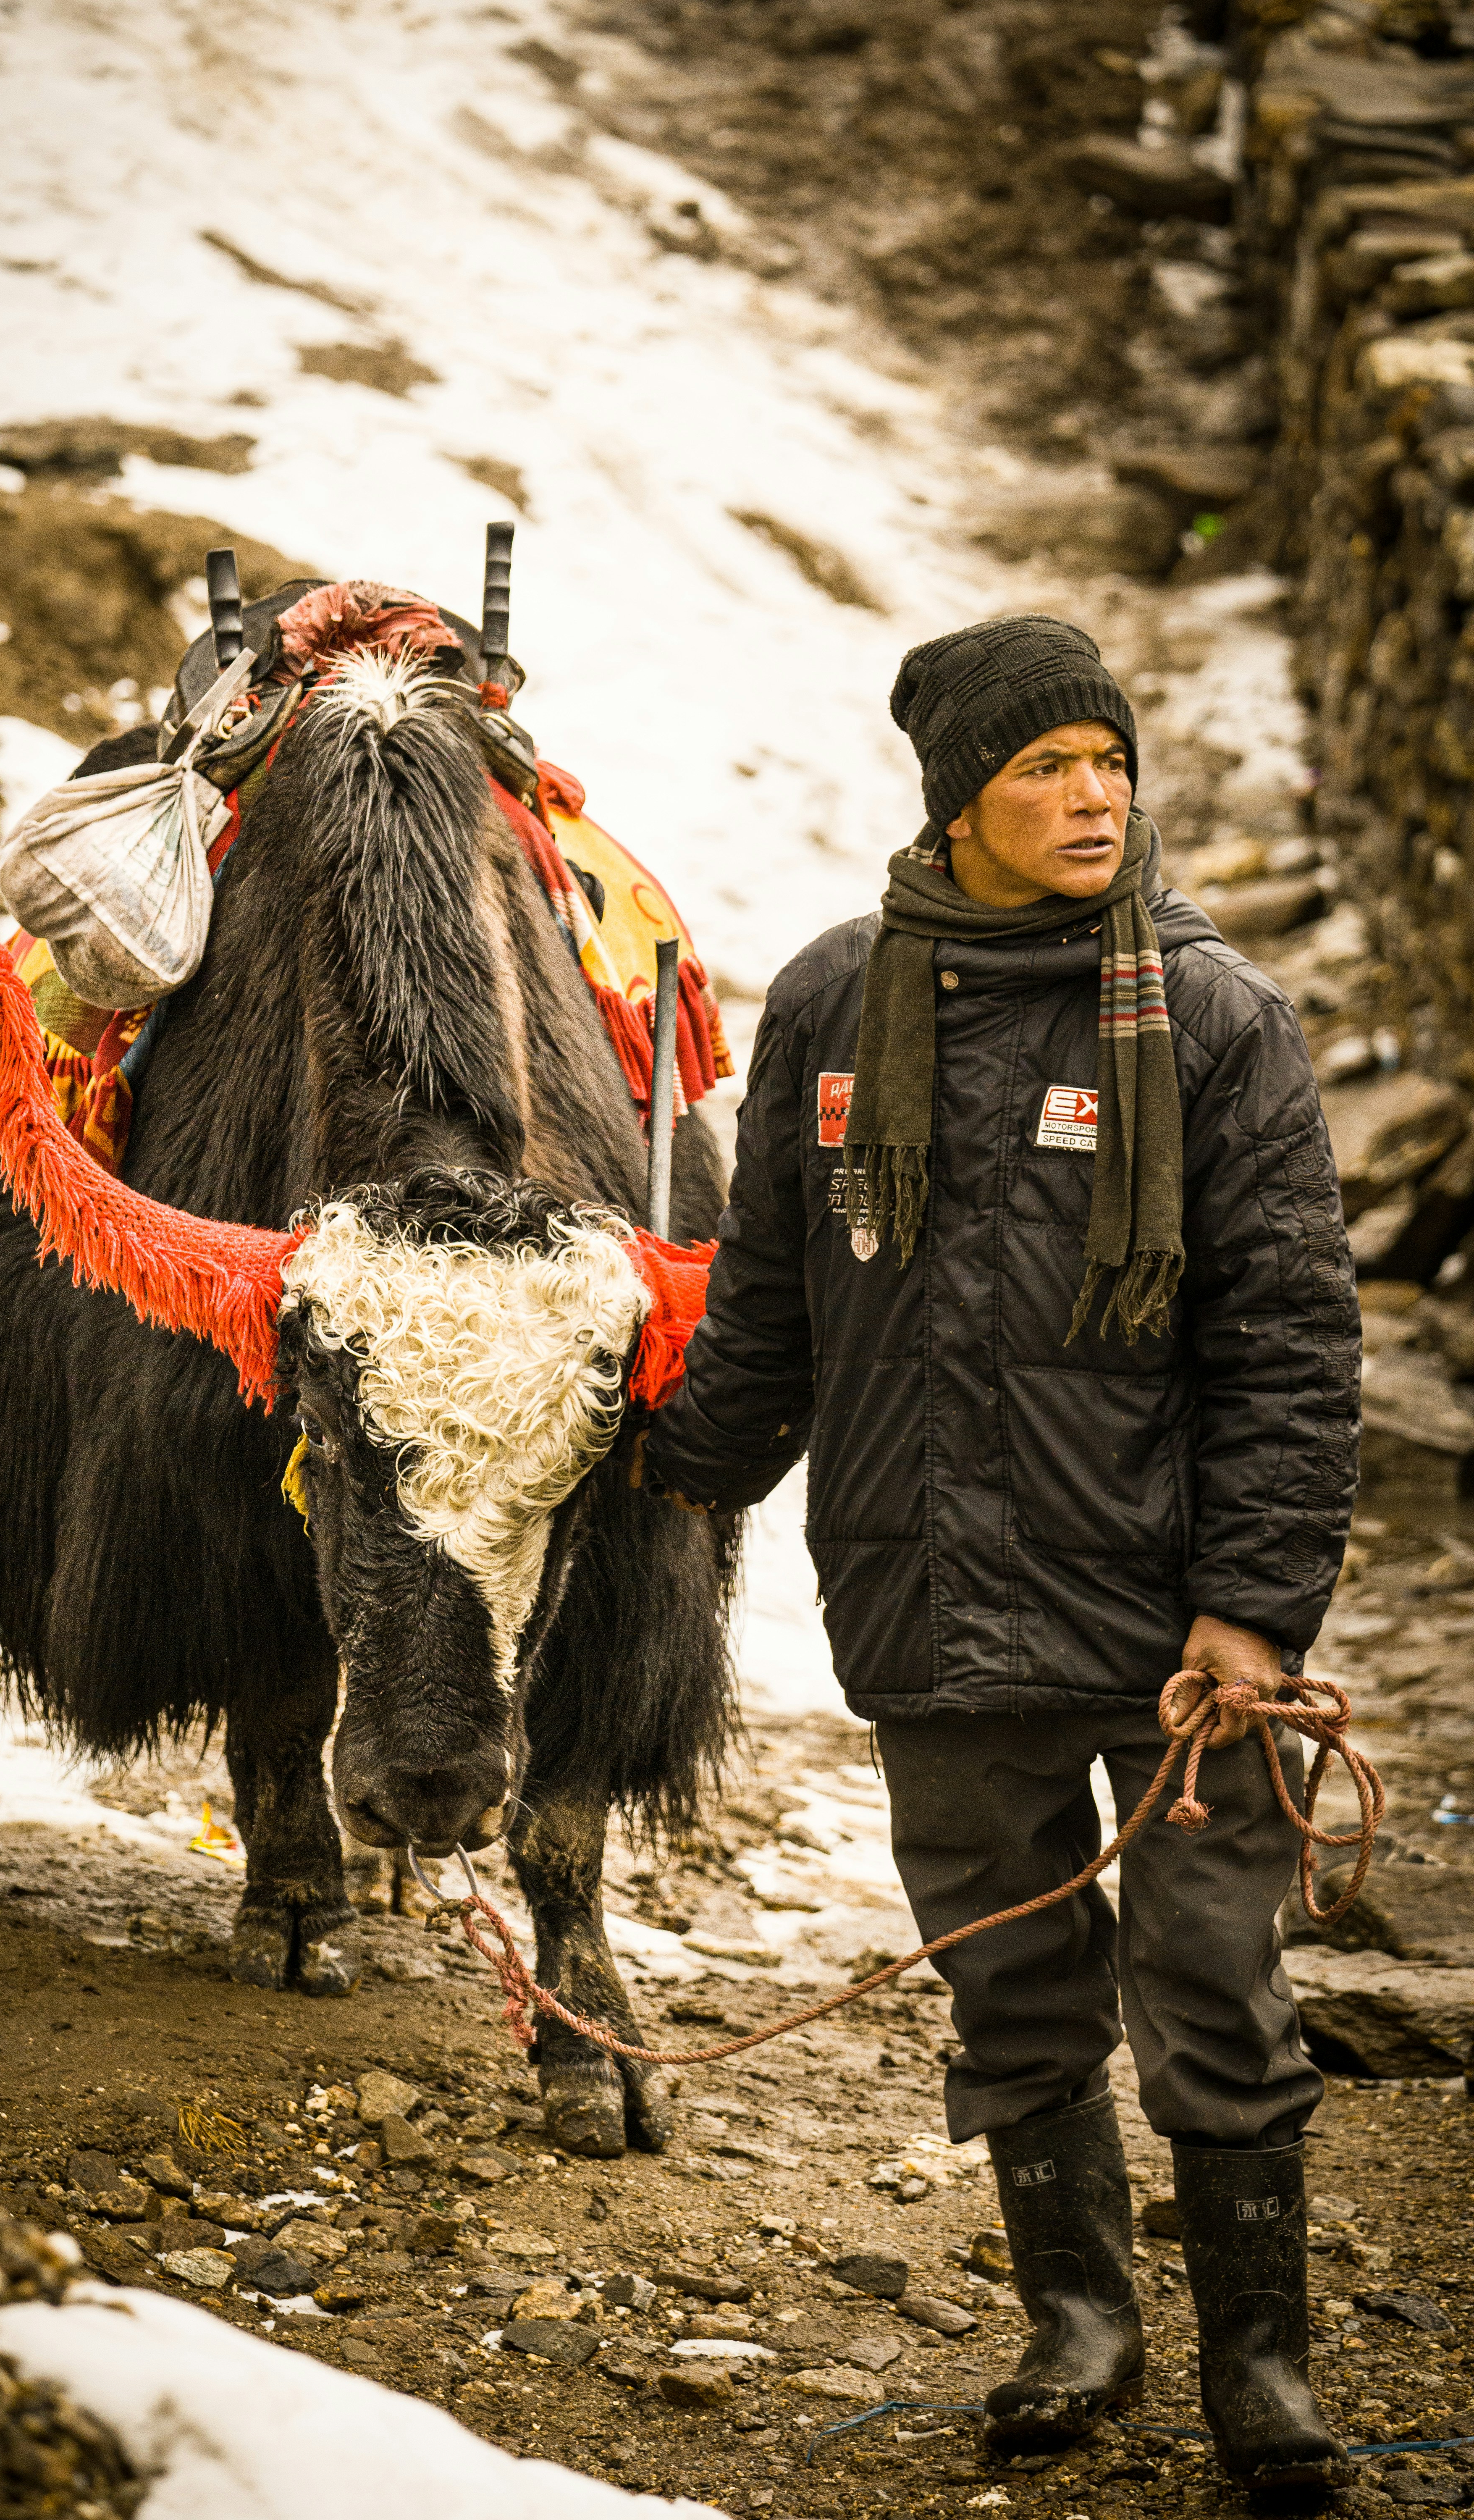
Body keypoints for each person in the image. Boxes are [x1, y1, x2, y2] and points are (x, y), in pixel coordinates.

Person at [643, 616, 1361, 2491]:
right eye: (1046, 766)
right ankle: (1080, 2323)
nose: (1093, 795)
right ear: (959, 798)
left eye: (1107, 762)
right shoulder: (827, 1005)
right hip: (927, 1594)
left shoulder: (1211, 1019)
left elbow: (1288, 1331)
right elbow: (776, 1301)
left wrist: (1254, 1608)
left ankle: (1259, 2373)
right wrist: (672, 1472)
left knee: (1210, 1980)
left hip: (1174, 1623)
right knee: (1008, 1976)